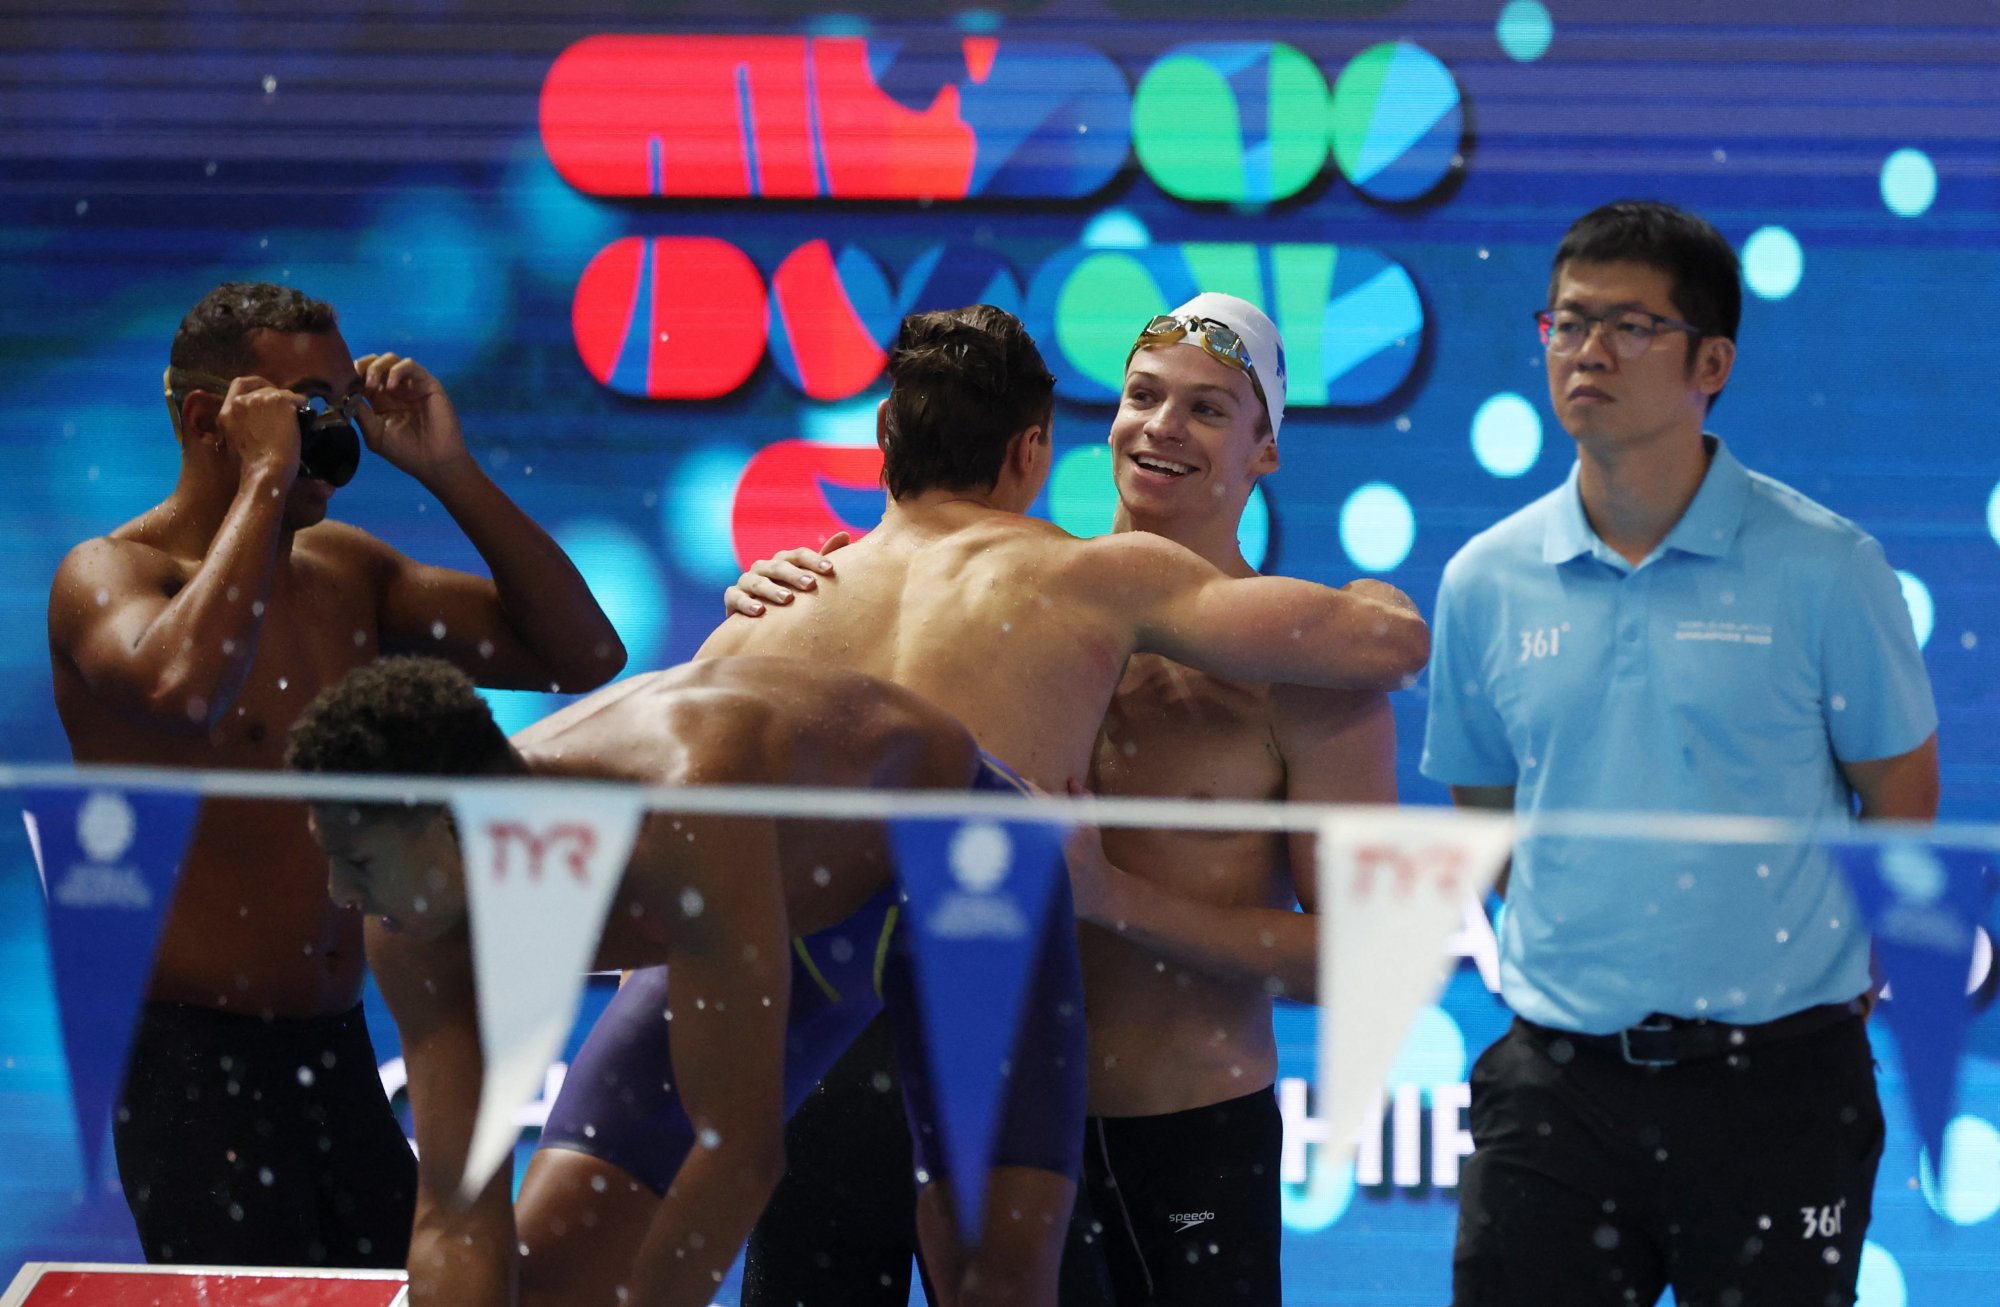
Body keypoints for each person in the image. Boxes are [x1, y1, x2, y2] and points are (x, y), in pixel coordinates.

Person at [728, 294, 1400, 1303]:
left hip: (1168, 1136)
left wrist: (1116, 897)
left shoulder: (1308, 679)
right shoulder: (1012, 613)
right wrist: (779, 594)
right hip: (950, 1118)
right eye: (1142, 396)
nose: (1163, 426)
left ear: (1264, 450)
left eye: (1210, 409)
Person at [1421, 200, 1939, 1306]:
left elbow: (1899, 797)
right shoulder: (1482, 579)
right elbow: (1488, 817)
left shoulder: (1825, 566)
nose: (1587, 351)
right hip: (1555, 1088)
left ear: (1713, 361)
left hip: (1778, 1088)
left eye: (1627, 325)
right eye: (1565, 322)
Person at [45, 281, 625, 1267]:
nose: (332, 437)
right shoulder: (110, 576)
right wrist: (265, 479)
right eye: (305, 409)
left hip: (332, 1043)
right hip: (191, 1060)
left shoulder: (343, 575)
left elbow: (581, 653)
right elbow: (185, 688)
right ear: (205, 416)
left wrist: (451, 472)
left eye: (339, 404)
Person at [286, 653, 1085, 1307]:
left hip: (963, 868)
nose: (341, 894)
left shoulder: (675, 809)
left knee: (992, 1273)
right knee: (553, 1279)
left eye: (357, 862)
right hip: (772, 907)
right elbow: (457, 1218)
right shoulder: (407, 928)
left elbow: (737, 1153)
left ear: (451, 824)